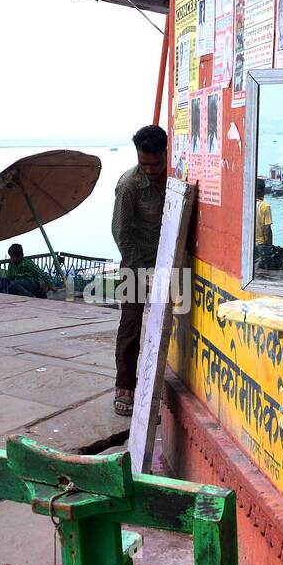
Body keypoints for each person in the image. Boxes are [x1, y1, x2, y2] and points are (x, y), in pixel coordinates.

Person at [111, 125, 168, 417]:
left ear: (164, 154)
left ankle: (158, 385)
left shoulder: (173, 177)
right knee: (131, 326)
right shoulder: (128, 186)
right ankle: (124, 386)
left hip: (169, 265)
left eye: (155, 163)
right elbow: (121, 232)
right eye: (143, 163)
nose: (149, 169)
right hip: (135, 265)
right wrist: (142, 270)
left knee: (167, 326)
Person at [254, 178, 274, 268]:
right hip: (260, 245)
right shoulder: (265, 206)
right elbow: (267, 230)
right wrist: (269, 249)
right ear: (263, 191)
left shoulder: (246, 204)